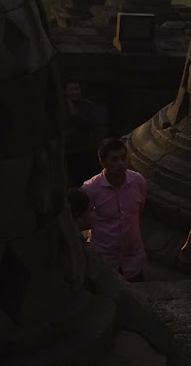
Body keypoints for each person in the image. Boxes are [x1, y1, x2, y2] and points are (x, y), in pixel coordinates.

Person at [82, 137, 147, 280]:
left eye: (124, 158)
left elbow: (139, 210)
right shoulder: (90, 188)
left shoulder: (138, 182)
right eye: (114, 159)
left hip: (133, 260)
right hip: (104, 259)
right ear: (102, 162)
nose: (121, 164)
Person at [62, 81, 104, 187]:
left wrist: (75, 115)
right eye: (71, 89)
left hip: (84, 150)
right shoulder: (61, 107)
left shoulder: (87, 106)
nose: (74, 92)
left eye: (76, 89)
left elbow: (91, 124)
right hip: (67, 151)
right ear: (65, 91)